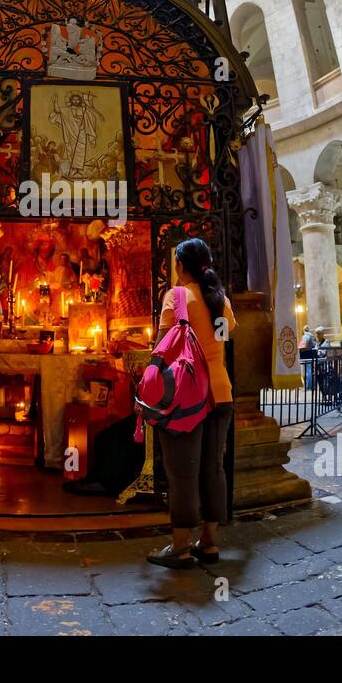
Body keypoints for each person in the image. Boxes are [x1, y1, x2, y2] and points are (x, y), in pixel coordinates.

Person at [146, 237, 237, 570]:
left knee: (183, 472)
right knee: (213, 467)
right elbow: (222, 343)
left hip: (186, 396)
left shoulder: (177, 296)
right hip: (220, 392)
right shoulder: (221, 302)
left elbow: (162, 349)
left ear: (180, 266)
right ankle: (209, 542)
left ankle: (181, 547)